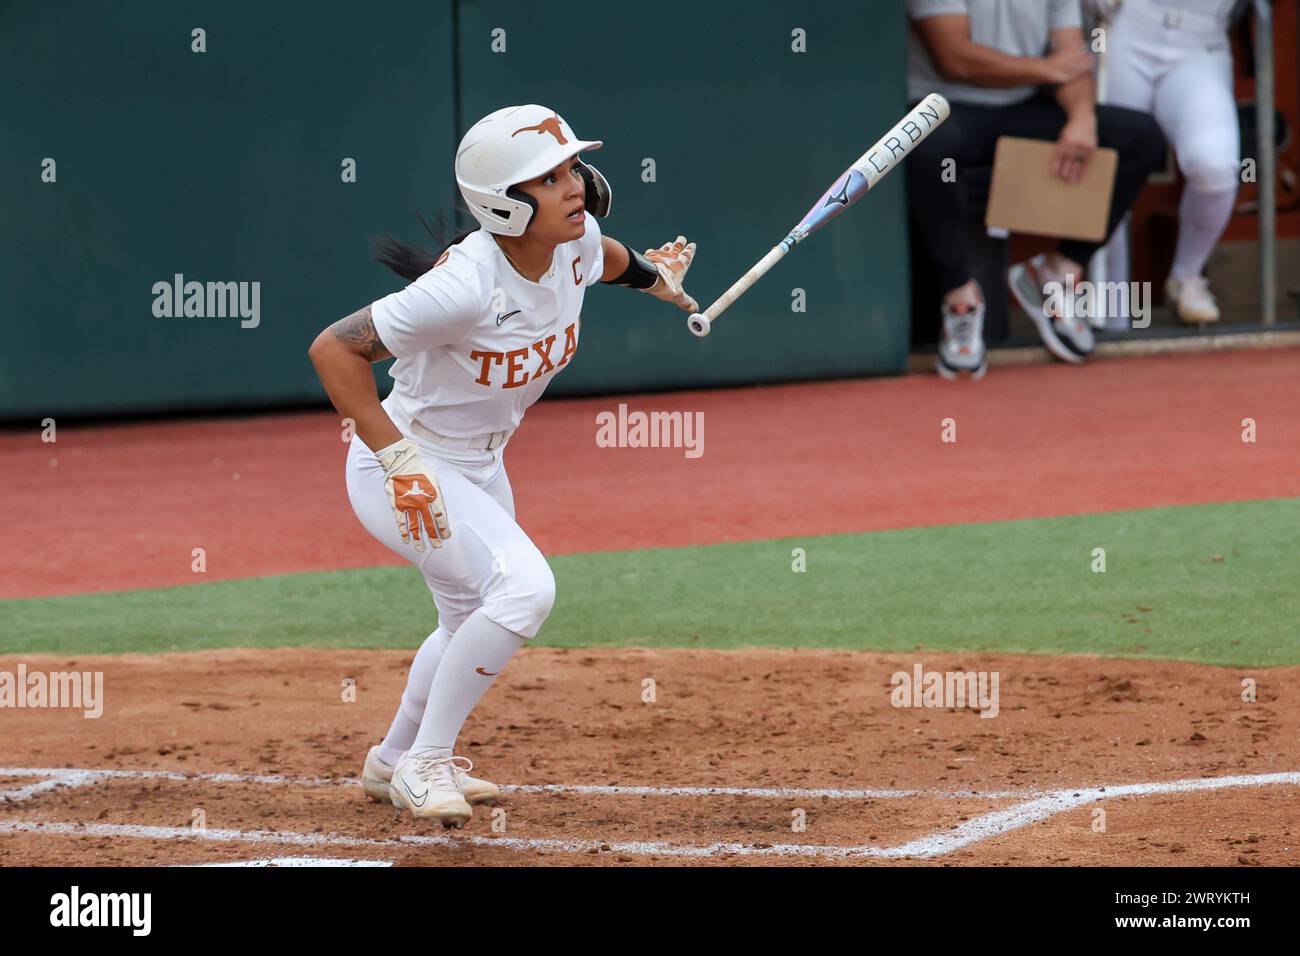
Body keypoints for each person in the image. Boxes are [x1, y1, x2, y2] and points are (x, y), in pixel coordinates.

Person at [308, 105, 699, 827]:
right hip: (404, 469)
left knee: (467, 617)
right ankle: (426, 763)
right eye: (548, 179)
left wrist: (656, 279)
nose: (575, 185)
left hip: (479, 469)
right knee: (524, 592)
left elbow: (608, 259)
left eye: (572, 169)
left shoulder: (573, 248)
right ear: (504, 205)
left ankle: (394, 758)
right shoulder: (464, 286)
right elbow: (334, 348)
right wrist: (399, 463)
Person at [905, 0, 1167, 377]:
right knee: (929, 145)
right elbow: (955, 59)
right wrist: (1047, 69)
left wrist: (1081, 118)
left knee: (1141, 138)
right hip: (947, 108)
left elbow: (1072, 61)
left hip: (1022, 106)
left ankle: (1057, 271)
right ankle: (960, 297)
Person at [1094, 0, 1243, 324]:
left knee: (1213, 164)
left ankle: (1186, 276)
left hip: (1202, 40)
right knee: (1108, 173)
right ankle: (1111, 311)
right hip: (1126, 27)